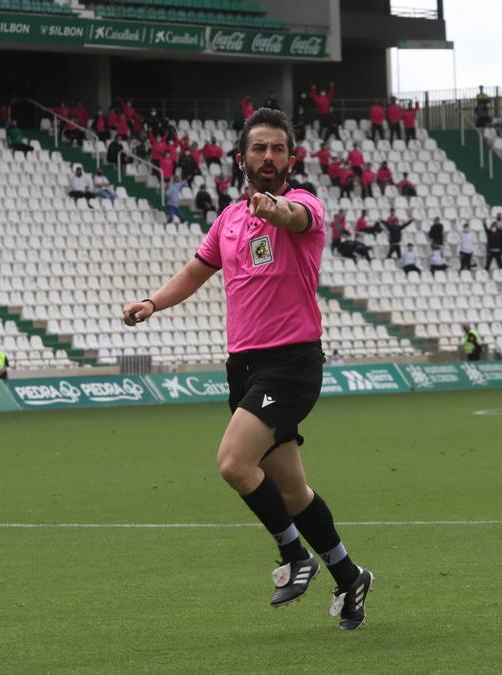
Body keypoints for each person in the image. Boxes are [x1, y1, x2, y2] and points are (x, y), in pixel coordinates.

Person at [119, 108, 373, 631]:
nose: (269, 157)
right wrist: (152, 302)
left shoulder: (303, 205)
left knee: (234, 463)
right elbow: (195, 270)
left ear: (291, 159)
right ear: (242, 159)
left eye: (278, 149)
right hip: (246, 368)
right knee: (293, 491)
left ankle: (293, 556)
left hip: (292, 364)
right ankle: (350, 576)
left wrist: (273, 207)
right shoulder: (228, 221)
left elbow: (291, 218)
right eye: (259, 149)